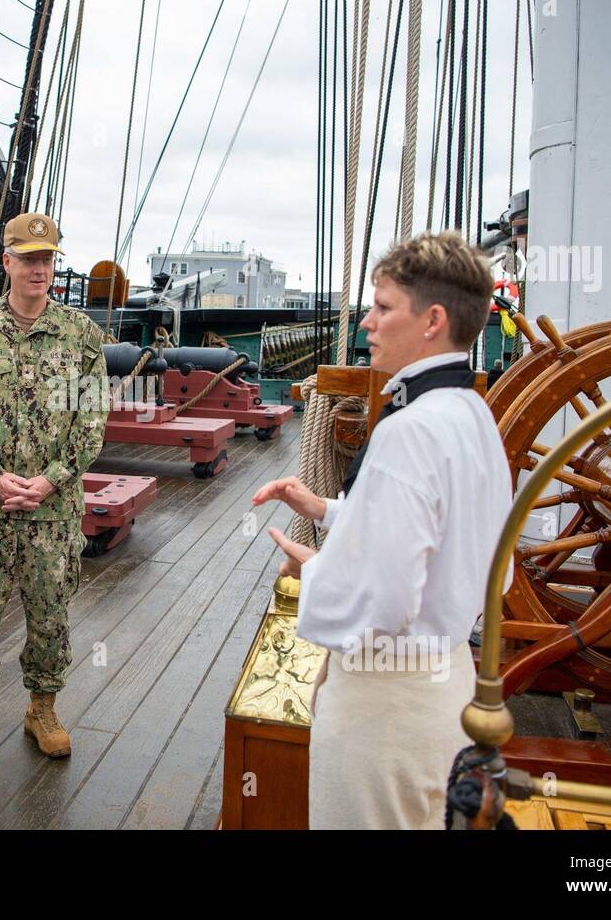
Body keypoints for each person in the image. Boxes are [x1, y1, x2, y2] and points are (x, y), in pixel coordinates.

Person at [254, 231, 511, 829]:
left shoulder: (409, 430)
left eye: (383, 307)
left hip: (384, 703)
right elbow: (459, 544)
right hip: (446, 689)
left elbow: (386, 598)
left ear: (433, 320)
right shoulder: (473, 416)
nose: (367, 321)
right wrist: (327, 511)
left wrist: (310, 569)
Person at [0, 212, 109, 766]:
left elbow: (91, 421)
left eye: (48, 258)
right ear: (6, 261)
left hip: (52, 510)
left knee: (50, 613)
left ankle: (42, 708)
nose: (40, 268)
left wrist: (49, 481)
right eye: (29, 258)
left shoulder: (80, 335)